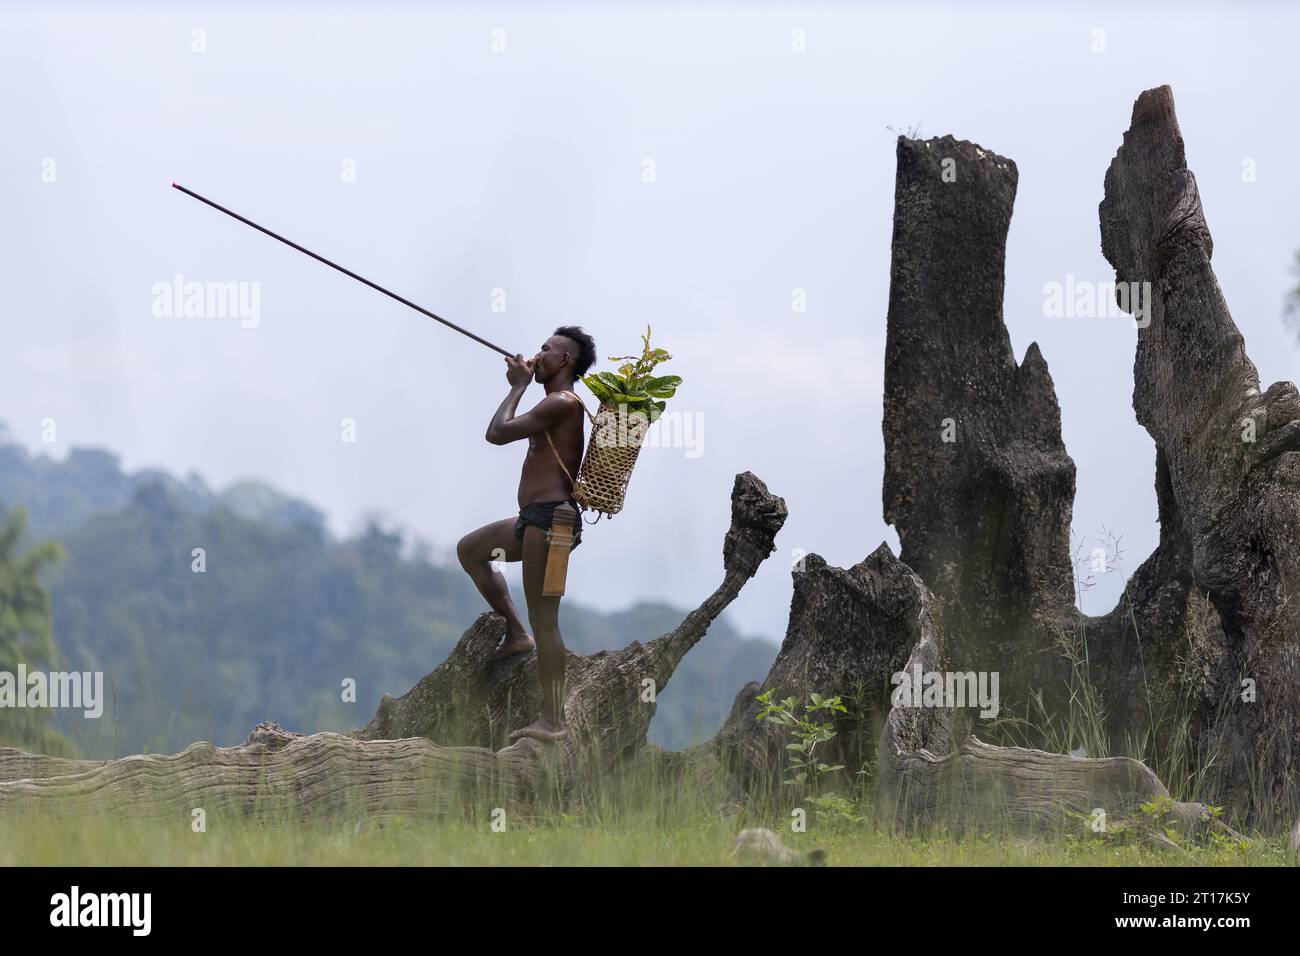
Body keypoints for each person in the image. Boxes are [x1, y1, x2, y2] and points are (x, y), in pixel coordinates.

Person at [456, 325, 597, 743]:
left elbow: (497, 432)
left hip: (552, 523)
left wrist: (517, 386)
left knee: (547, 619)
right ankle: (517, 633)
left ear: (564, 361)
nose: (538, 354)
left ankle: (554, 721)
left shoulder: (563, 402)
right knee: (471, 551)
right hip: (533, 519)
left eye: (546, 350)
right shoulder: (555, 403)